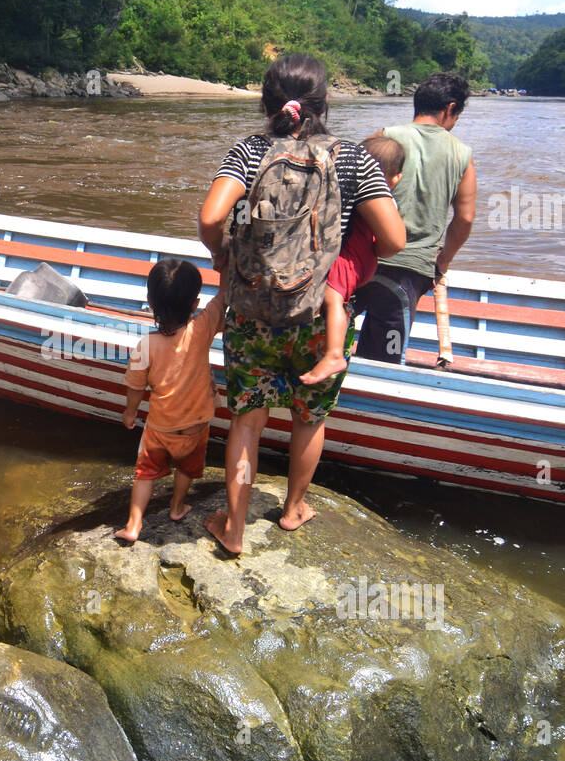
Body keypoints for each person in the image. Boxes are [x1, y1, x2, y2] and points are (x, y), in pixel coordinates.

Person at [197, 53, 406, 557]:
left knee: (247, 419)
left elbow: (210, 216)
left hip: (251, 311)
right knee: (308, 417)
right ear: (324, 103)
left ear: (267, 101)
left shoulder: (249, 150)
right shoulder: (354, 158)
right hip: (319, 314)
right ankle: (293, 509)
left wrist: (221, 253)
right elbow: (395, 240)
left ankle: (235, 530)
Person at [354, 73, 477, 364]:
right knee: (385, 355)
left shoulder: (382, 137)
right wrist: (443, 260)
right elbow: (465, 219)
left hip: (359, 260)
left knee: (330, 325)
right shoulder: (462, 154)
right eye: (456, 115)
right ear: (449, 108)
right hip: (410, 271)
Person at [115, 257, 227, 543]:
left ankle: (133, 524)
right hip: (196, 426)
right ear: (194, 304)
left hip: (160, 429)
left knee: (145, 473)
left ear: (150, 301)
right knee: (187, 469)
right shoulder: (202, 329)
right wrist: (226, 263)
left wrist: (130, 414)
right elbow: (224, 297)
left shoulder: (146, 345)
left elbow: (135, 387)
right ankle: (177, 507)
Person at [300, 135, 407, 386]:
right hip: (364, 259)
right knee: (336, 298)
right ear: (396, 178)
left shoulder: (370, 194)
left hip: (349, 259)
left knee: (332, 299)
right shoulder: (387, 201)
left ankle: (334, 354)